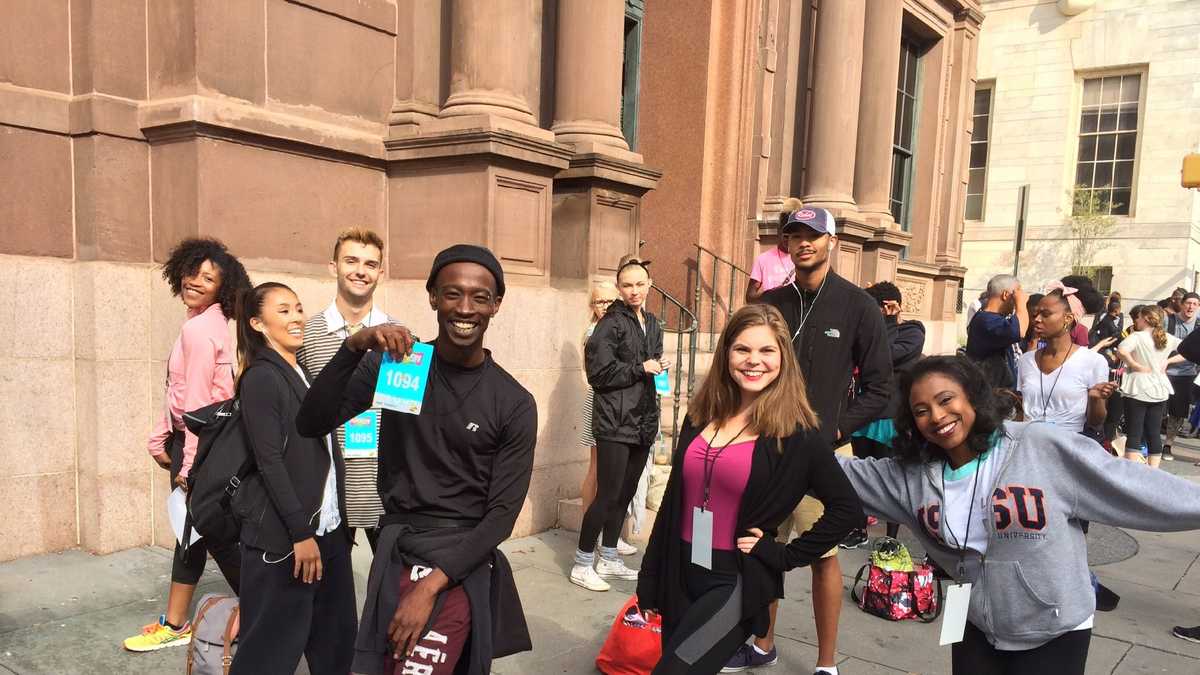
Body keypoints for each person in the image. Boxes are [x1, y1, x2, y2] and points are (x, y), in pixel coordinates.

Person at [837, 355, 1200, 675]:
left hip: (1052, 627)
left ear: (973, 397)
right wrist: (785, 445)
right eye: (921, 411)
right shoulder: (912, 476)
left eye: (946, 400)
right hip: (972, 620)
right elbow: (837, 474)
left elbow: (1132, 485)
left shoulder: (1038, 446)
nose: (937, 416)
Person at [298, 244, 536, 675]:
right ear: (432, 297)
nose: (465, 308)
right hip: (396, 549)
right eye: (452, 294)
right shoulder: (399, 367)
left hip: (459, 559)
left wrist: (430, 588)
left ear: (496, 305)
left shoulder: (514, 402)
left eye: (480, 297)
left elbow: (502, 515)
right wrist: (353, 349)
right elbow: (311, 423)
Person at [637, 304, 862, 675]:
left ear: (782, 358)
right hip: (679, 570)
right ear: (726, 353)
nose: (753, 361)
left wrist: (783, 556)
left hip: (732, 581)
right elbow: (672, 502)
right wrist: (649, 577)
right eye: (742, 349)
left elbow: (847, 510)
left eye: (766, 351)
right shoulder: (699, 416)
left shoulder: (796, 435)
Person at [753, 206, 890, 675]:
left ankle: (826, 663)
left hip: (824, 457)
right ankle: (761, 643)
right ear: (786, 244)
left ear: (831, 241)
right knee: (761, 547)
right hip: (766, 449)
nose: (803, 242)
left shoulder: (857, 305)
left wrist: (837, 427)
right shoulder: (771, 303)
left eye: (813, 235)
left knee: (822, 556)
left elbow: (881, 387)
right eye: (795, 235)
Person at [123, 238, 251, 653]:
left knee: (205, 532)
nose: (195, 282)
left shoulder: (199, 330)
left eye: (208, 278)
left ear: (222, 288)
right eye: (193, 272)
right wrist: (160, 435)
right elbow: (179, 392)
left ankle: (265, 609)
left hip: (200, 446)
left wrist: (188, 464)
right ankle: (177, 622)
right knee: (193, 532)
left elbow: (196, 404)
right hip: (196, 442)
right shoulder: (208, 325)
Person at [229, 282, 357, 675]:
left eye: (298, 308)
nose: (297, 317)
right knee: (269, 652)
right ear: (258, 323)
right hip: (287, 541)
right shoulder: (262, 378)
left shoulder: (299, 371)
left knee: (336, 644)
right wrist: (301, 534)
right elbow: (269, 461)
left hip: (329, 532)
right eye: (283, 310)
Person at [572, 256, 669, 591]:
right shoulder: (610, 323)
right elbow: (598, 373)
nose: (634, 291)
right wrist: (640, 368)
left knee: (625, 493)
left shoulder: (654, 323)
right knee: (608, 493)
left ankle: (609, 556)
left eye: (640, 284)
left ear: (650, 285)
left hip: (643, 421)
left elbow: (653, 364)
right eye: (627, 285)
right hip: (614, 420)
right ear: (619, 287)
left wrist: (657, 367)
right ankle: (583, 562)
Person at [296, 228, 394, 552]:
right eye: (351, 260)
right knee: (328, 595)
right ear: (333, 266)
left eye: (370, 263)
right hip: (327, 486)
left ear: (381, 271)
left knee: (393, 590)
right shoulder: (307, 334)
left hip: (379, 484)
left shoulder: (398, 339)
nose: (360, 271)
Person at [840, 281, 924, 548]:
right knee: (861, 475)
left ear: (889, 307)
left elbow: (884, 355)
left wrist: (887, 322)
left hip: (891, 417)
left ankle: (891, 537)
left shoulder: (913, 331)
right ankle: (858, 528)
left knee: (892, 477)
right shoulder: (866, 331)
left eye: (873, 309)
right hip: (864, 413)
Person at [579, 280, 639, 556]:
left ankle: (609, 534)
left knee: (616, 478)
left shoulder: (621, 326)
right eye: (598, 302)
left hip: (621, 406)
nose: (603, 306)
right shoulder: (595, 332)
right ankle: (589, 530)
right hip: (600, 404)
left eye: (607, 301)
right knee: (597, 471)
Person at [1016, 286, 1115, 436]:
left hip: (1068, 447)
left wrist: (1095, 399)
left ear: (1068, 318)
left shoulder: (1092, 361)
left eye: (1045, 314)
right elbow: (1021, 412)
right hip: (1028, 446)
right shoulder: (1026, 360)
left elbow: (1095, 421)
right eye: (1035, 314)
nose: (1036, 319)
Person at [1116, 306, 1183, 467]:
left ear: (1145, 319)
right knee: (1153, 432)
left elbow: (1121, 350)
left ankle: (1132, 472)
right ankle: (1154, 472)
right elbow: (1188, 351)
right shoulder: (1166, 337)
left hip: (1137, 386)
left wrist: (1133, 364)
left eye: (1138, 317)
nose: (1136, 320)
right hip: (1159, 388)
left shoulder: (1137, 336)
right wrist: (1168, 361)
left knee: (1134, 431)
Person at [965, 274, 1028, 389]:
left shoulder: (992, 318)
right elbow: (1020, 331)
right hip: (990, 394)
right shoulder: (985, 320)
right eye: (1015, 295)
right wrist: (1022, 303)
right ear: (1005, 295)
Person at [1162, 292, 1200, 460]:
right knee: (1158, 409)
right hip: (1163, 371)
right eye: (1188, 303)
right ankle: (1150, 441)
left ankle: (1168, 445)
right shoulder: (1168, 320)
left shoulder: (1198, 325)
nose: (1191, 307)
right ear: (1182, 304)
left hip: (1187, 374)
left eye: (1195, 304)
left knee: (1177, 413)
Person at [745, 198, 802, 302]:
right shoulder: (763, 259)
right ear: (778, 231)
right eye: (785, 235)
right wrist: (771, 294)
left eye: (793, 236)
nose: (788, 239)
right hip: (772, 315)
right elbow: (750, 296)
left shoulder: (804, 258)